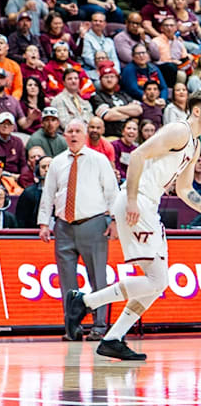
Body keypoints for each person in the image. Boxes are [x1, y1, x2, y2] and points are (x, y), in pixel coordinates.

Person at [65, 95, 201, 361]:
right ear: (197, 110)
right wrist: (130, 199)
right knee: (157, 280)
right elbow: (137, 155)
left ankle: (113, 338)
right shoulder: (179, 130)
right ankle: (84, 302)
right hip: (137, 200)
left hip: (149, 204)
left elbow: (185, 190)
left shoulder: (194, 144)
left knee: (156, 284)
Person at [39, 119, 119, 341]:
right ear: (65, 136)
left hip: (93, 224)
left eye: (78, 131)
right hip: (63, 226)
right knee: (67, 282)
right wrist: (44, 223)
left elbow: (112, 191)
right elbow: (48, 194)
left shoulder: (99, 159)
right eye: (70, 131)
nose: (73, 135)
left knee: (98, 278)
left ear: (84, 135)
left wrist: (114, 220)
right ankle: (72, 327)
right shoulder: (56, 162)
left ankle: (100, 326)